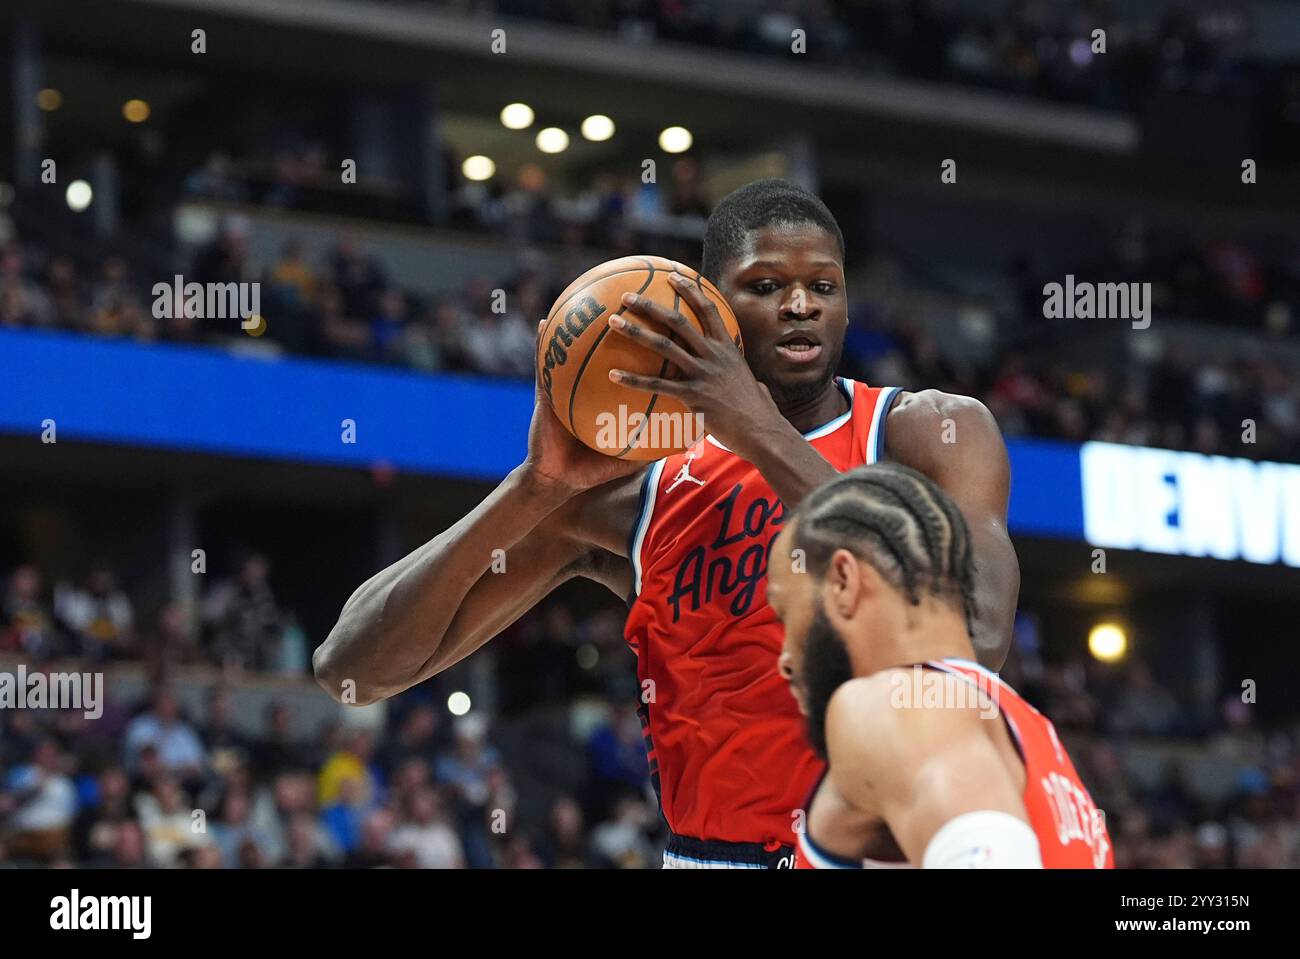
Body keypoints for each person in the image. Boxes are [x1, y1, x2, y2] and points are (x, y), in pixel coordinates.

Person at [315, 178, 1020, 868]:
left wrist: (756, 429)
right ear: (711, 306)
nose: (800, 303)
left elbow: (978, 643)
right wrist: (532, 489)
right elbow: (350, 669)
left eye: (824, 286)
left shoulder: (929, 435)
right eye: (767, 285)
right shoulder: (639, 484)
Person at [767, 463, 1111, 868]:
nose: (785, 659)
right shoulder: (1029, 729)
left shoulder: (898, 704)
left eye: (786, 615)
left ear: (844, 581)